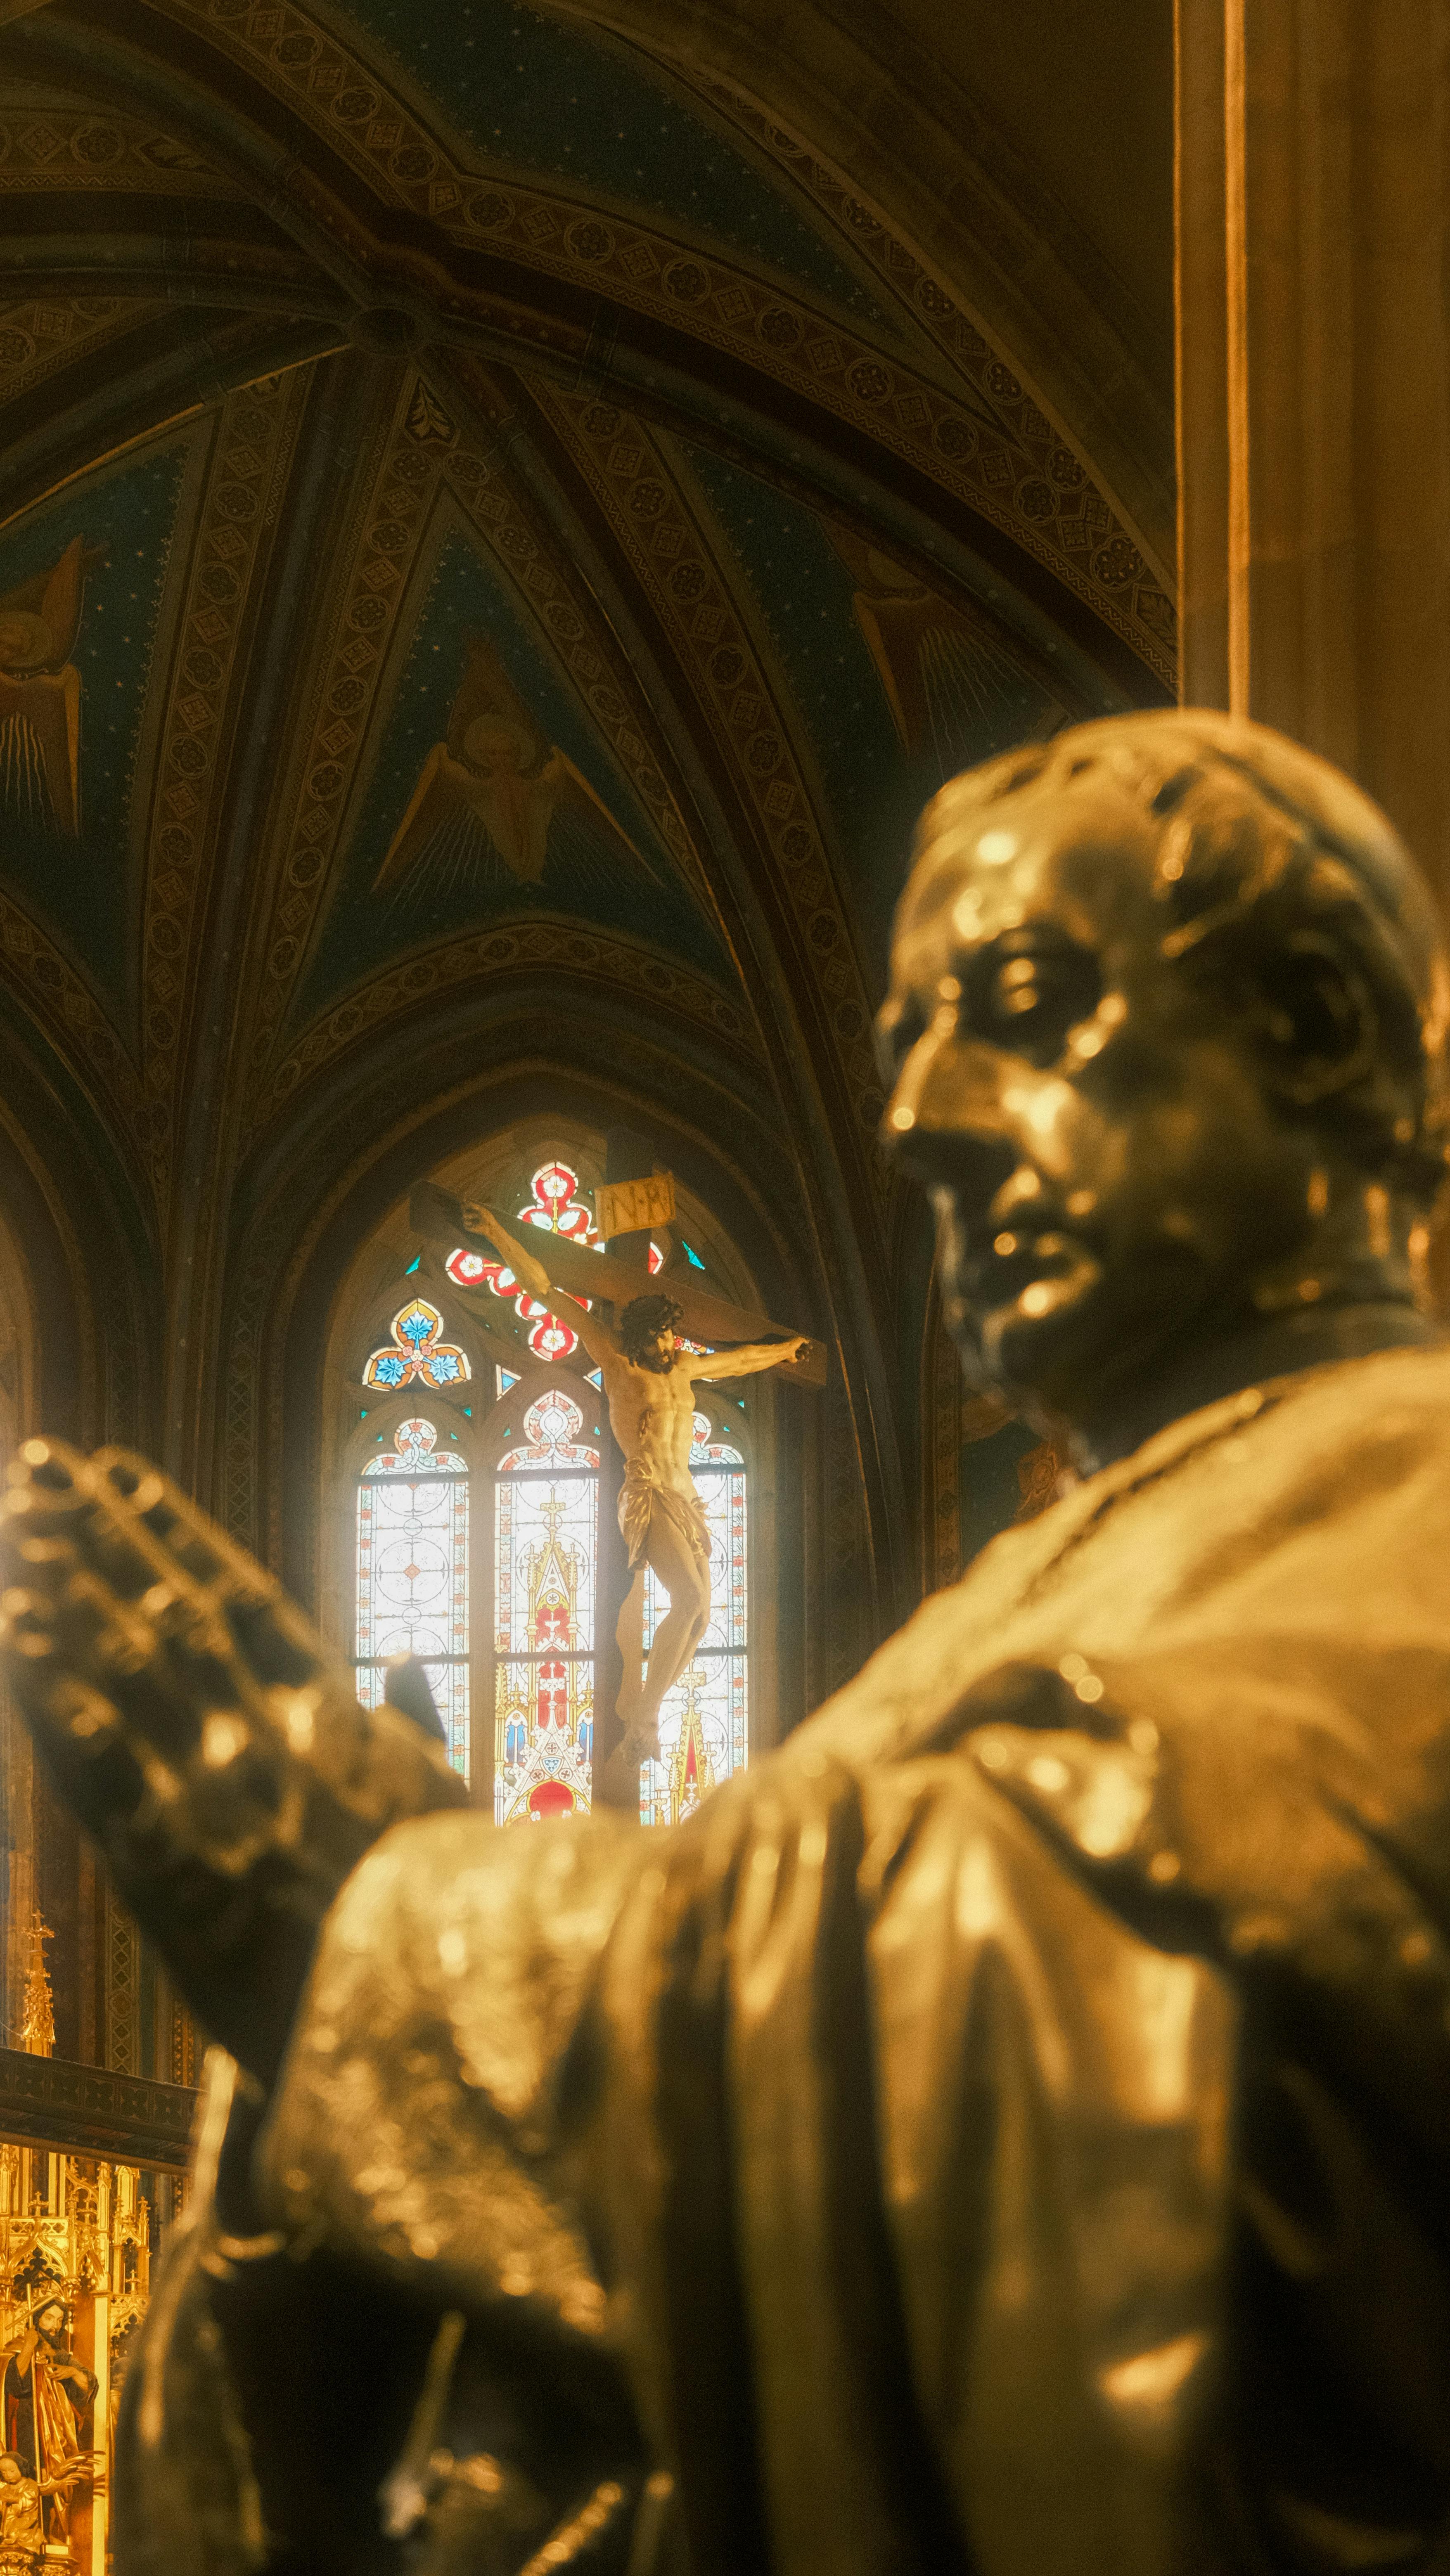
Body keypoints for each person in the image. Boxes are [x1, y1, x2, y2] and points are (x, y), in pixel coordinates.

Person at [4, 710, 1450, 2574]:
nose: (920, 1118)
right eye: (905, 1040)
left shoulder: (1384, 1506)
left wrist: (385, 1926)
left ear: (1317, 1031)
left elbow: (1142, 1977)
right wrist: (312, 2147)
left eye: (1015, 1002)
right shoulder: (1058, 1567)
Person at [464, 1204, 806, 1763]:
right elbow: (548, 1291)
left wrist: (787, 1351)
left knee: (701, 1618)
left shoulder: (684, 1370)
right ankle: (641, 1713)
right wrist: (499, 1233)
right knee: (690, 1597)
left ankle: (645, 1713)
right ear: (640, 1338)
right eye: (662, 1340)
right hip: (648, 1491)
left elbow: (742, 1361)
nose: (671, 1347)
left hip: (687, 1496)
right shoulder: (617, 1363)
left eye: (674, 1338)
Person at [0, 2301, 95, 2546]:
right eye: (49, 2319)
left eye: (60, 2320)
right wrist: (30, 2346)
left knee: (55, 2473)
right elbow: (14, 2383)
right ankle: (26, 2529)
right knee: (31, 2472)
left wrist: (72, 2373)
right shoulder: (20, 2346)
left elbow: (90, 2386)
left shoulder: (61, 2356)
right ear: (36, 2320)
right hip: (26, 2423)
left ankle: (50, 2529)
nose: (55, 2326)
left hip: (56, 2427)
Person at [0, 2446, 90, 2571]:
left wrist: (14, 2500)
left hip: (25, 2523)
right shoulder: (5, 2488)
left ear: (21, 2469)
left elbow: (30, 2501)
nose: (8, 2475)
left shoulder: (30, 2485)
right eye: (4, 2472)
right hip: (8, 2523)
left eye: (12, 2471)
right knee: (7, 2534)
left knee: (14, 2534)